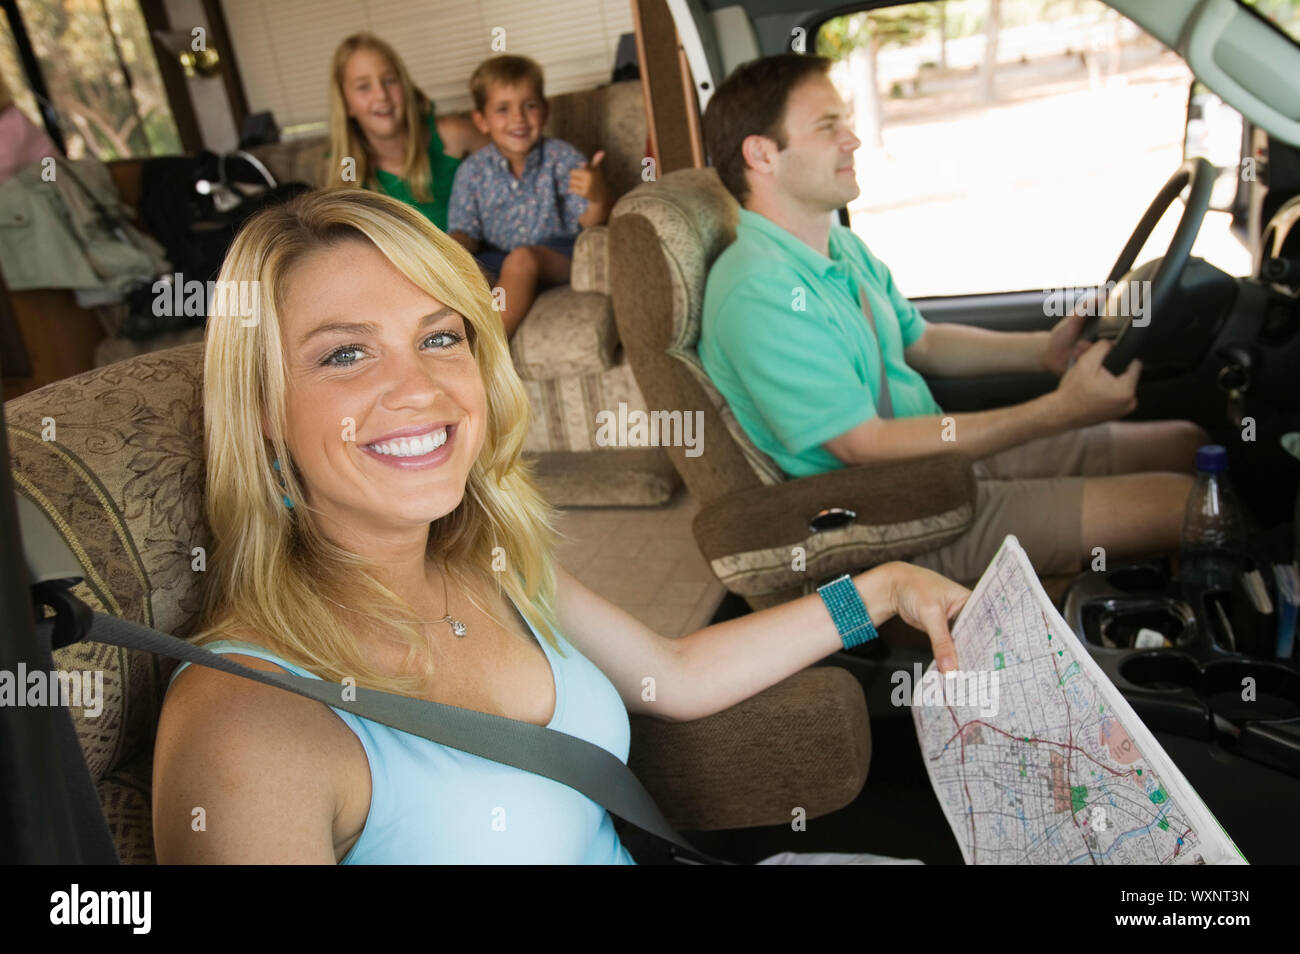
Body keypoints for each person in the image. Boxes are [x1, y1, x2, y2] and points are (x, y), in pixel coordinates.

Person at [151, 188, 970, 864]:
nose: (421, 391)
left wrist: (880, 592)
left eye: (440, 337)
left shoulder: (488, 561)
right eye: (345, 355)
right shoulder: (246, 725)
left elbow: (675, 675)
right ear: (261, 408)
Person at [698, 54, 1210, 585]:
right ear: (762, 154)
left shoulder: (838, 247)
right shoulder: (758, 292)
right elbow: (864, 445)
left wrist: (1042, 351)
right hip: (897, 521)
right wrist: (1059, 411)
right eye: (829, 127)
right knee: (1188, 506)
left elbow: (924, 341)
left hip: (940, 466)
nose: (852, 139)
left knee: (1187, 443)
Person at [447, 55, 611, 338]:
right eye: (502, 109)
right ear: (482, 121)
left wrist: (598, 197)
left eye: (529, 105)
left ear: (545, 111)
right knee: (464, 268)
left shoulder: (562, 157)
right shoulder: (471, 171)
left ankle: (492, 351)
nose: (518, 118)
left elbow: (590, 224)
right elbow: (466, 232)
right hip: (499, 259)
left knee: (522, 259)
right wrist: (446, 254)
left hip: (556, 255)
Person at [325, 33, 486, 231]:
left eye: (390, 80)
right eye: (364, 87)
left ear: (405, 86)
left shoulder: (453, 134)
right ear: (346, 104)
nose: (381, 95)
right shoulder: (345, 169)